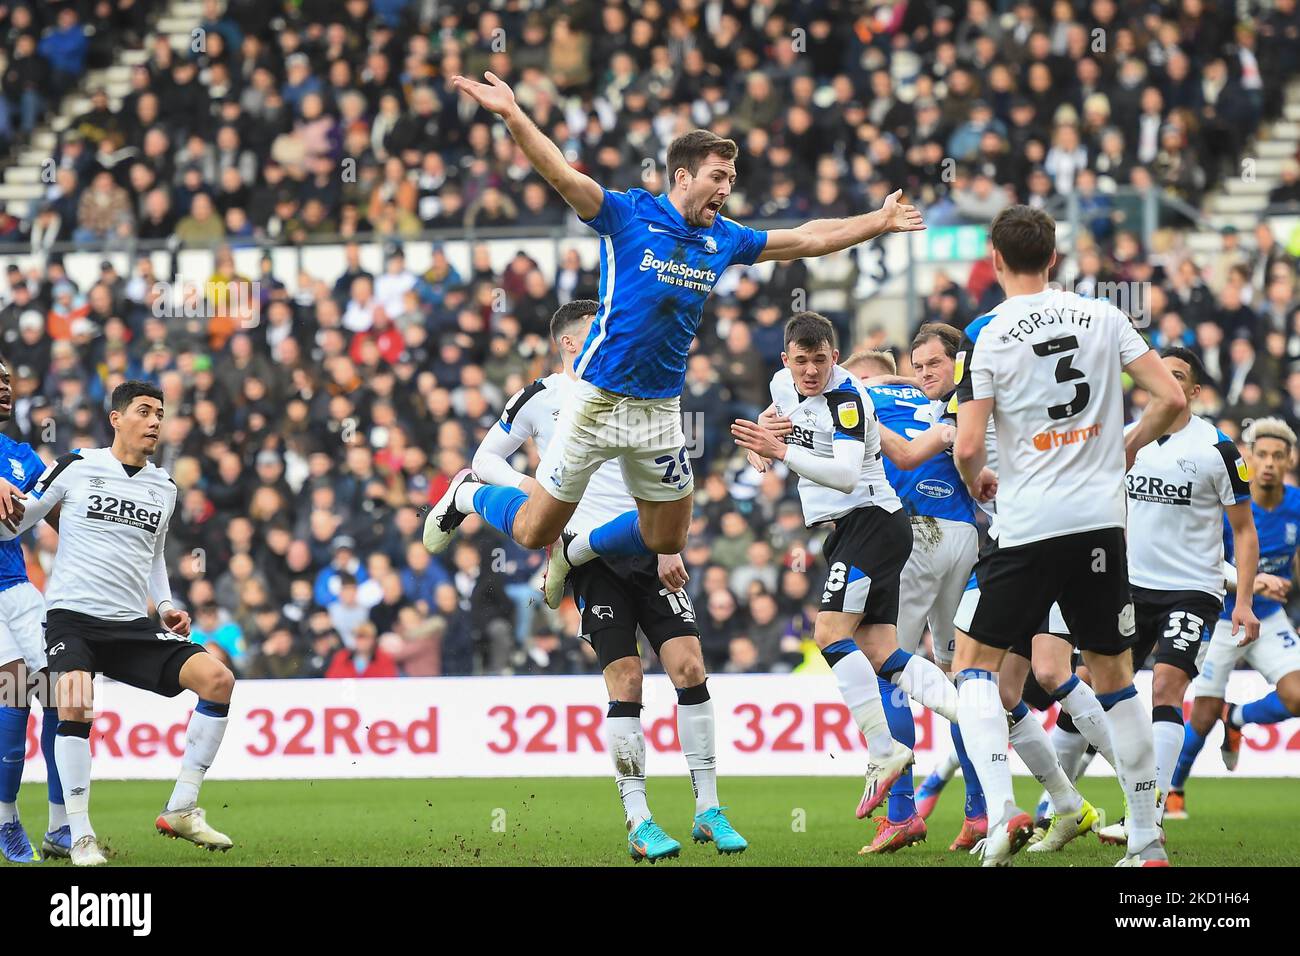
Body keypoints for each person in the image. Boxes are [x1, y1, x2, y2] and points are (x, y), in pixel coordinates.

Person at [422, 72, 924, 609]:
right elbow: (560, 172)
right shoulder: (627, 214)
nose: (728, 187)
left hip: (659, 409)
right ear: (682, 176)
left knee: (668, 538)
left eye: (732, 177)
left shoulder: (723, 237)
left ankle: (580, 548)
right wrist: (513, 115)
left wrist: (880, 219)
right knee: (531, 532)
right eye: (719, 175)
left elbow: (807, 237)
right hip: (596, 402)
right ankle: (467, 493)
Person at [950, 204, 1187, 867]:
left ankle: (1003, 810)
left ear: (995, 260)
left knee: (972, 666)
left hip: (1026, 526)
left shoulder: (988, 332)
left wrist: (979, 477)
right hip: (1100, 525)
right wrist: (1128, 443)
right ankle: (1146, 840)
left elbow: (969, 443)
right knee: (1114, 679)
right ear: (1054, 256)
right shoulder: (1106, 316)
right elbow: (1172, 398)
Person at [469, 299, 745, 863]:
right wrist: (533, 491)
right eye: (597, 330)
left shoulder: (636, 386)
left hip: (647, 548)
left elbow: (664, 476)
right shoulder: (541, 396)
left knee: (690, 666)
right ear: (571, 342)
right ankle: (639, 819)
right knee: (626, 680)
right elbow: (485, 458)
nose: (613, 334)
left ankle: (708, 808)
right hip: (590, 560)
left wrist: (669, 543)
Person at [731, 312, 963, 837]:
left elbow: (843, 472)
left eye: (820, 360)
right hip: (854, 529)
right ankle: (971, 714)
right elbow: (779, 412)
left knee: (828, 634)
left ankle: (883, 750)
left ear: (835, 357)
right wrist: (760, 442)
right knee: (882, 650)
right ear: (786, 359)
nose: (810, 371)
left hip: (872, 521)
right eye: (800, 360)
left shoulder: (849, 399)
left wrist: (779, 450)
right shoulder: (781, 385)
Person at [0, 381, 237, 866]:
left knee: (217, 679)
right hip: (72, 620)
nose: (154, 421)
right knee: (67, 699)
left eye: (160, 413)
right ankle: (78, 834)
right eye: (145, 412)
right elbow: (20, 524)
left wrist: (167, 604)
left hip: (130, 623)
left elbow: (154, 556)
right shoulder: (76, 466)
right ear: (116, 418)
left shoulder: (164, 486)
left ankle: (182, 808)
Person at [1091, 348, 1259, 847]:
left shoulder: (1218, 449)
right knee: (1092, 687)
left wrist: (1243, 601)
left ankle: (1151, 814)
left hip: (1192, 590)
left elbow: (1245, 533)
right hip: (1130, 588)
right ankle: (1059, 806)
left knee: (1165, 688)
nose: (1166, 380)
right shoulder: (1126, 441)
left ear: (1193, 391)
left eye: (1179, 375)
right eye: (1160, 371)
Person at [1168, 417, 1300, 810]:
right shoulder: (1229, 506)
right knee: (1203, 715)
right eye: (1262, 455)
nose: (1270, 463)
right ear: (1248, 457)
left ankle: (1239, 717)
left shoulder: (1296, 505)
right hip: (1223, 619)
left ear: (1289, 459)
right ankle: (1173, 791)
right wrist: (1256, 580)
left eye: (1278, 455)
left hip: (1271, 618)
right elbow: (1206, 563)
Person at [0, 358, 66, 862]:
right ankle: (6, 820)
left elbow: (64, 508)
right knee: (15, 696)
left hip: (20, 589)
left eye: (6, 379)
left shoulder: (21, 455)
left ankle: (62, 827)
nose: (4, 387)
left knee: (67, 697)